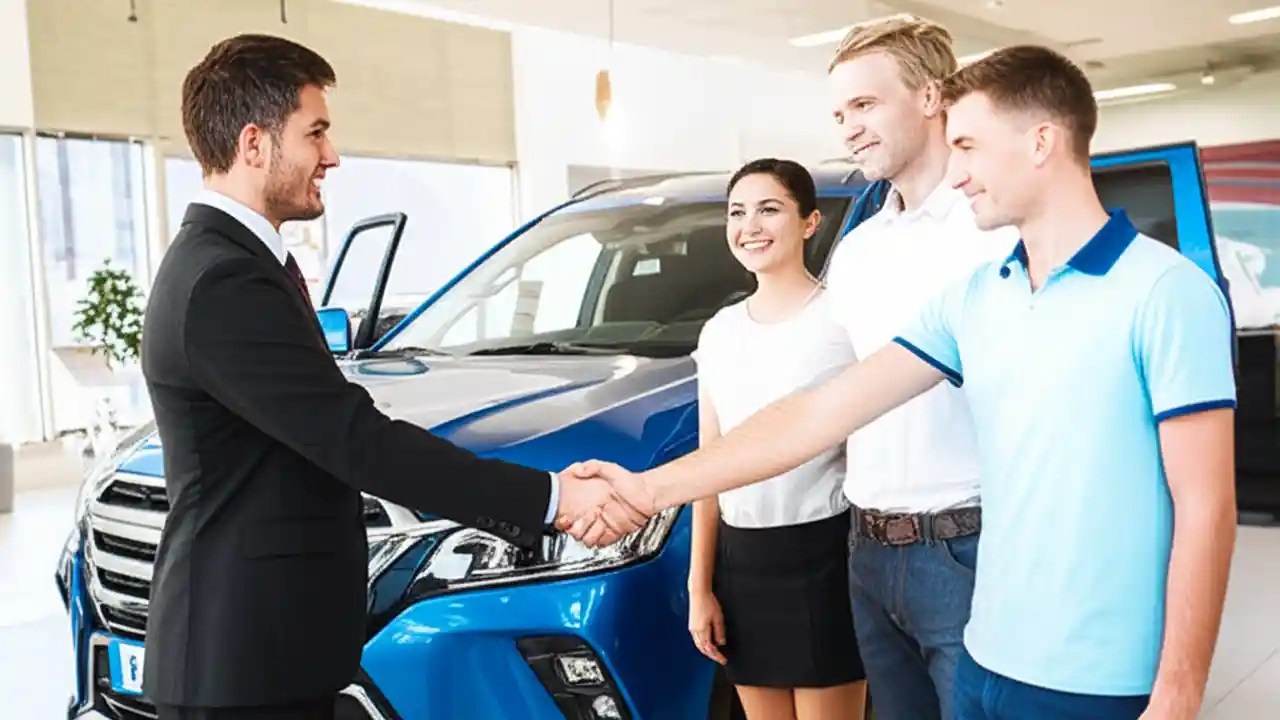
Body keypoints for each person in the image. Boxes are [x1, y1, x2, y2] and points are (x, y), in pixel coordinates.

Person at [570, 45, 1237, 720]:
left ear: (1040, 142)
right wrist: (650, 489)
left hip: (1094, 671)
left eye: (969, 147)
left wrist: (1178, 693)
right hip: (987, 649)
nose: (961, 171)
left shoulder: (1169, 292)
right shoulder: (979, 297)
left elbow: (1206, 507)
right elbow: (820, 412)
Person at [141, 34, 643, 720]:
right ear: (254, 143)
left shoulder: (229, 263)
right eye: (315, 132)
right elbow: (355, 440)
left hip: (263, 651)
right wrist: (551, 499)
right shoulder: (224, 279)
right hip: (241, 664)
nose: (333, 156)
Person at [820, 16, 1018, 719]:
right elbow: (838, 403)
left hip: (971, 548)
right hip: (868, 552)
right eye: (840, 113)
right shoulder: (858, 250)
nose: (848, 129)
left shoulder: (997, 229)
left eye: (865, 106)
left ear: (932, 97)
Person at [689, 159, 866, 719]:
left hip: (825, 555)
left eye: (770, 209)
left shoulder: (845, 320)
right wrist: (701, 587)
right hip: (743, 565)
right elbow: (708, 468)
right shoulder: (719, 333)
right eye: (737, 212)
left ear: (810, 222)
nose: (750, 226)